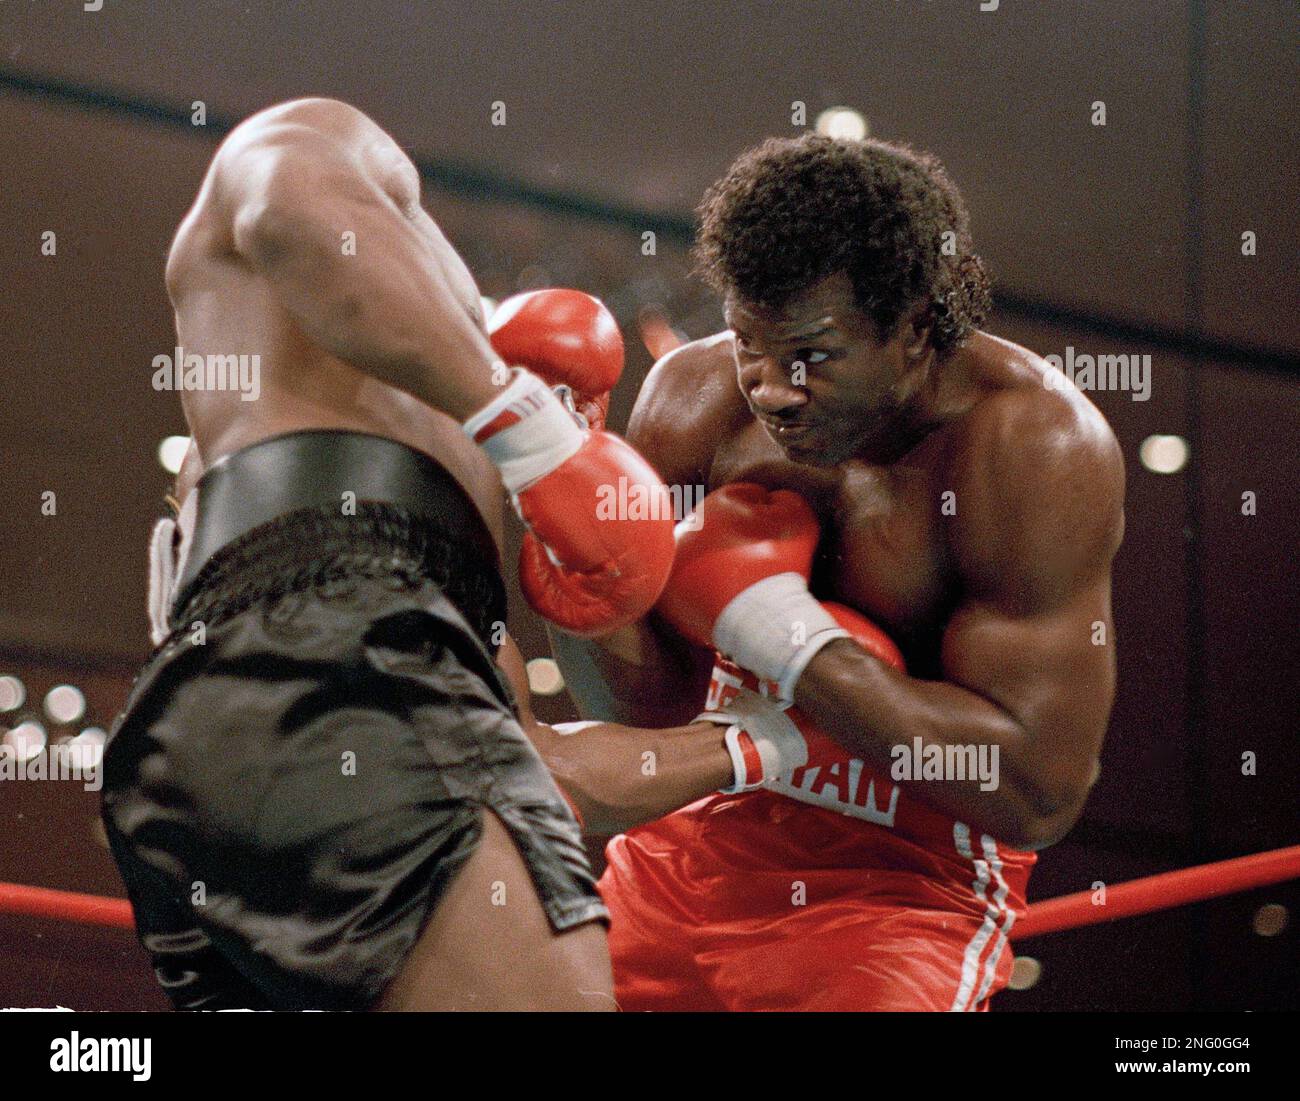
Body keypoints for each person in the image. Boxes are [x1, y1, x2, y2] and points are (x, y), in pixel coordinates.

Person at [102, 97, 677, 1011]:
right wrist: (524, 425)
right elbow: (288, 204)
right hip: (328, 639)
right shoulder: (341, 149)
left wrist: (771, 745)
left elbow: (536, 759)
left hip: (246, 711)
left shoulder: (431, 482)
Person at [550, 133, 1125, 1011]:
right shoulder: (698, 397)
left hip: (897, 887)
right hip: (686, 850)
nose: (771, 386)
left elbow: (1036, 792)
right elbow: (646, 705)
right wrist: (574, 538)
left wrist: (781, 634)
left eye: (811, 354)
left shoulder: (1027, 448)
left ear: (915, 326)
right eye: (751, 342)